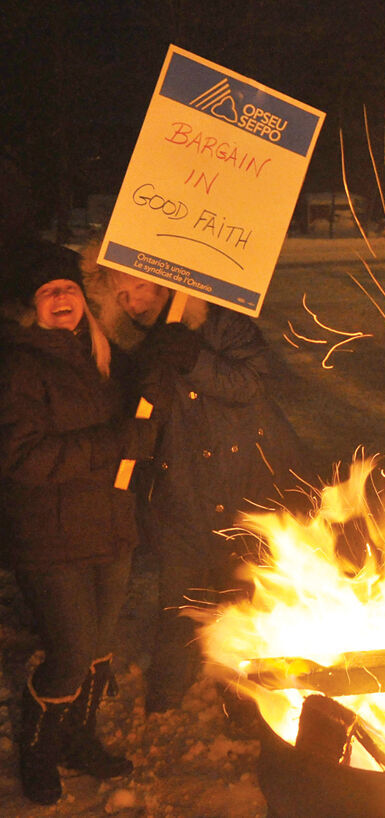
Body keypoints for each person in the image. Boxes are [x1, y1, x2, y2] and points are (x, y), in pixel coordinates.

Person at [102, 265, 311, 715]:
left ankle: (243, 698)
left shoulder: (222, 325)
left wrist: (194, 361)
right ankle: (167, 690)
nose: (135, 302)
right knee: (179, 603)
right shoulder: (131, 349)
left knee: (241, 602)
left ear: (162, 280)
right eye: (122, 297)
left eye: (139, 286)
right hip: (180, 497)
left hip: (244, 488)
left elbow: (253, 383)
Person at [0, 240, 157, 804]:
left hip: (110, 526)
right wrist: (118, 441)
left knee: (97, 649)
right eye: (47, 293)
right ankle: (39, 752)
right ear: (31, 308)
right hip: (51, 535)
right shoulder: (20, 364)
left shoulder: (100, 353)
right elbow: (24, 458)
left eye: (67, 288)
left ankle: (77, 739)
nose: (60, 297)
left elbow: (141, 402)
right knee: (70, 651)